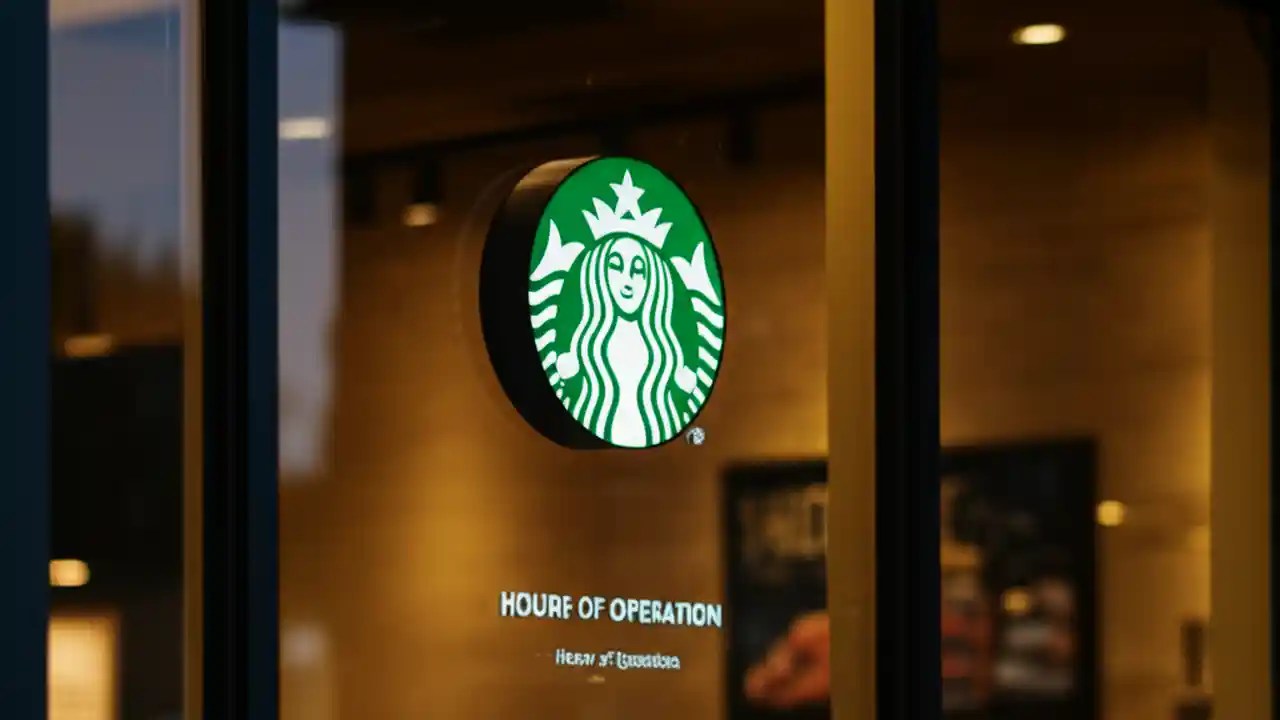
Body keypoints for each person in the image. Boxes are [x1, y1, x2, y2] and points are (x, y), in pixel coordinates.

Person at [744, 611, 832, 709]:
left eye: (766, 667)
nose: (779, 674)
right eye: (773, 687)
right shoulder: (807, 691)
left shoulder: (804, 633)